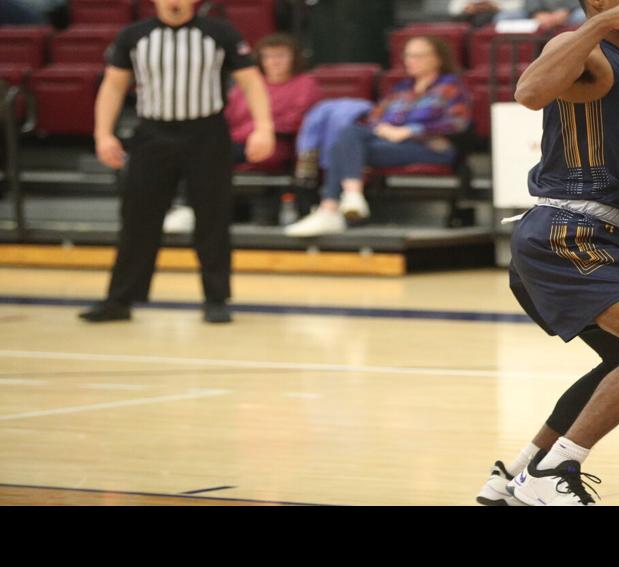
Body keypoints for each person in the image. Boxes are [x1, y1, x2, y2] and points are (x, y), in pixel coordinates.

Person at [475, 0, 619, 507]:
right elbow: (528, 92)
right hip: (569, 232)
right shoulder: (583, 45)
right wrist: (600, 23)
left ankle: (516, 474)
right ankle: (556, 468)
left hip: (592, 232)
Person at [80, 0, 274, 325]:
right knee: (138, 218)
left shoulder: (219, 33)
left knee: (212, 217)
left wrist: (264, 127)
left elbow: (251, 81)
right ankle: (120, 299)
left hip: (207, 133)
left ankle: (216, 299)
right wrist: (103, 134)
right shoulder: (134, 35)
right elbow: (113, 85)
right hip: (152, 134)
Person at [283, 35, 472, 236]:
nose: (410, 60)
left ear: (438, 58)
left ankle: (332, 207)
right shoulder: (402, 87)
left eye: (418, 55)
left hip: (433, 147)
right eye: (408, 55)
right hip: (389, 144)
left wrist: (410, 131)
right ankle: (350, 196)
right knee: (348, 135)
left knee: (342, 146)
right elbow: (375, 116)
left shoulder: (451, 86)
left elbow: (458, 123)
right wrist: (383, 128)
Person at [164, 32, 321, 233]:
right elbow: (226, 116)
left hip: (278, 145)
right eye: (269, 56)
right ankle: (186, 208)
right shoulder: (248, 85)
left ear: (294, 58)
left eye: (281, 56)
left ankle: (190, 207)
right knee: (192, 148)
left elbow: (300, 120)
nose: (275, 62)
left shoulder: (306, 84)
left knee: (208, 154)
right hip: (236, 142)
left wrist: (256, 131)